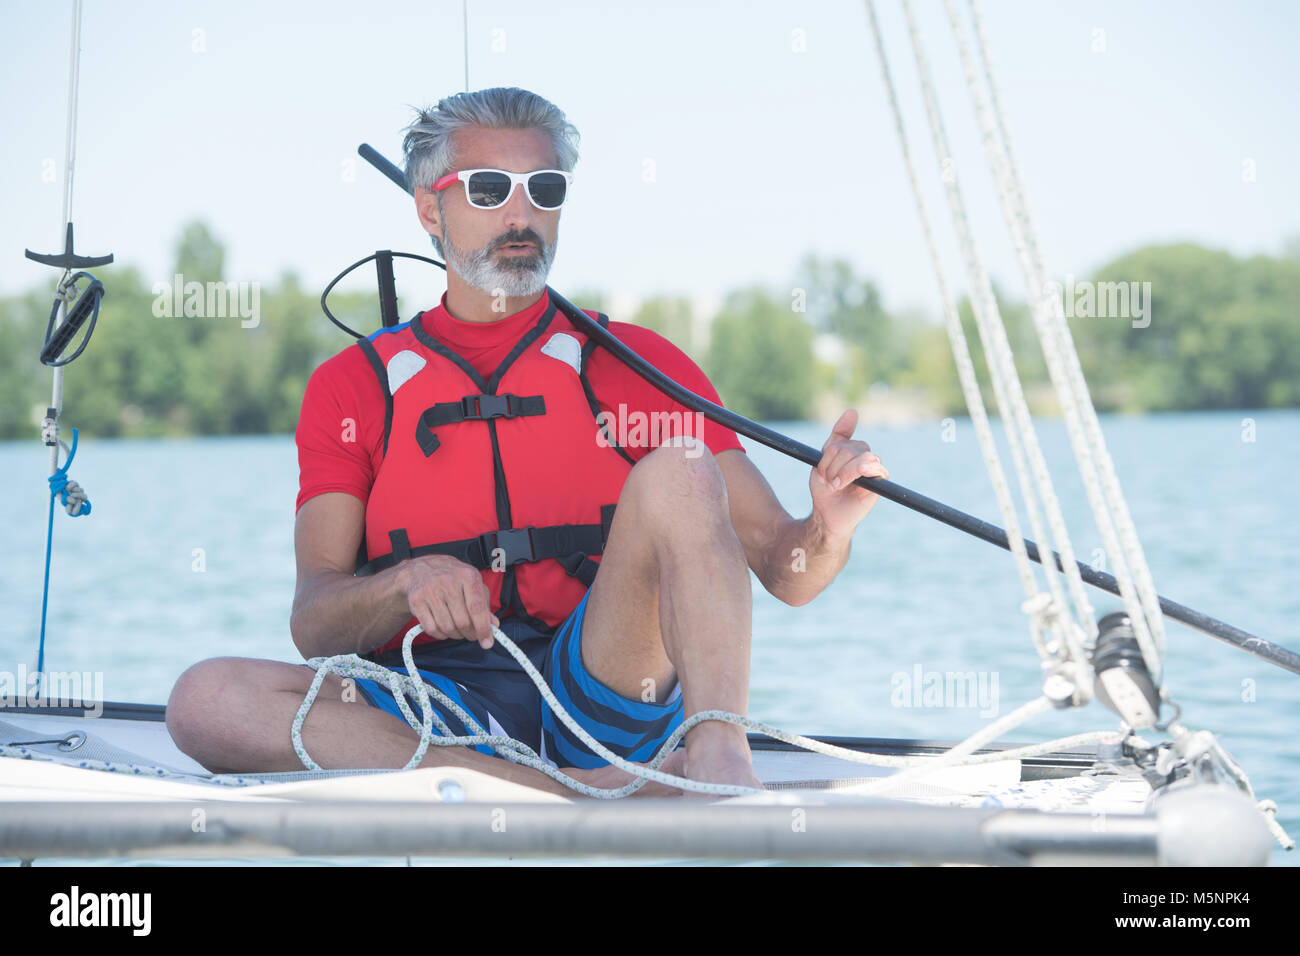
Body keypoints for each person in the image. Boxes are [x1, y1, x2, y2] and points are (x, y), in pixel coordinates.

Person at [165, 87, 891, 797]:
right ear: (429, 208)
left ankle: (718, 759)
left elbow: (787, 571)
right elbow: (315, 625)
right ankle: (570, 793)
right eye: (487, 189)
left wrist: (827, 527)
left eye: (544, 188)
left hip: (605, 689)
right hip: (433, 704)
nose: (522, 214)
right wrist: (404, 583)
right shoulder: (353, 388)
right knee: (206, 699)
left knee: (684, 468)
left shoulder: (636, 365)